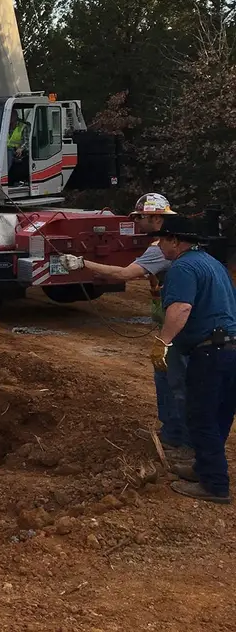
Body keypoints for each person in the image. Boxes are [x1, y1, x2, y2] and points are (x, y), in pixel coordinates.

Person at [62, 194, 192, 462]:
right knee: (169, 378)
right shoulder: (178, 243)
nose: (136, 222)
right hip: (184, 324)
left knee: (174, 381)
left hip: (180, 328)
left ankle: (180, 440)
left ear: (157, 218)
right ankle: (176, 436)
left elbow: (123, 274)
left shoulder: (161, 248)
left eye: (140, 217)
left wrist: (82, 263)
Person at [149, 213, 236, 503]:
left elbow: (181, 309)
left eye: (162, 239)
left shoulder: (183, 267)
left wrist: (163, 342)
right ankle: (205, 467)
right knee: (221, 413)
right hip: (231, 348)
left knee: (201, 416)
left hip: (209, 351)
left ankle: (214, 485)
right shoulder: (213, 265)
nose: (159, 245)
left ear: (175, 240)